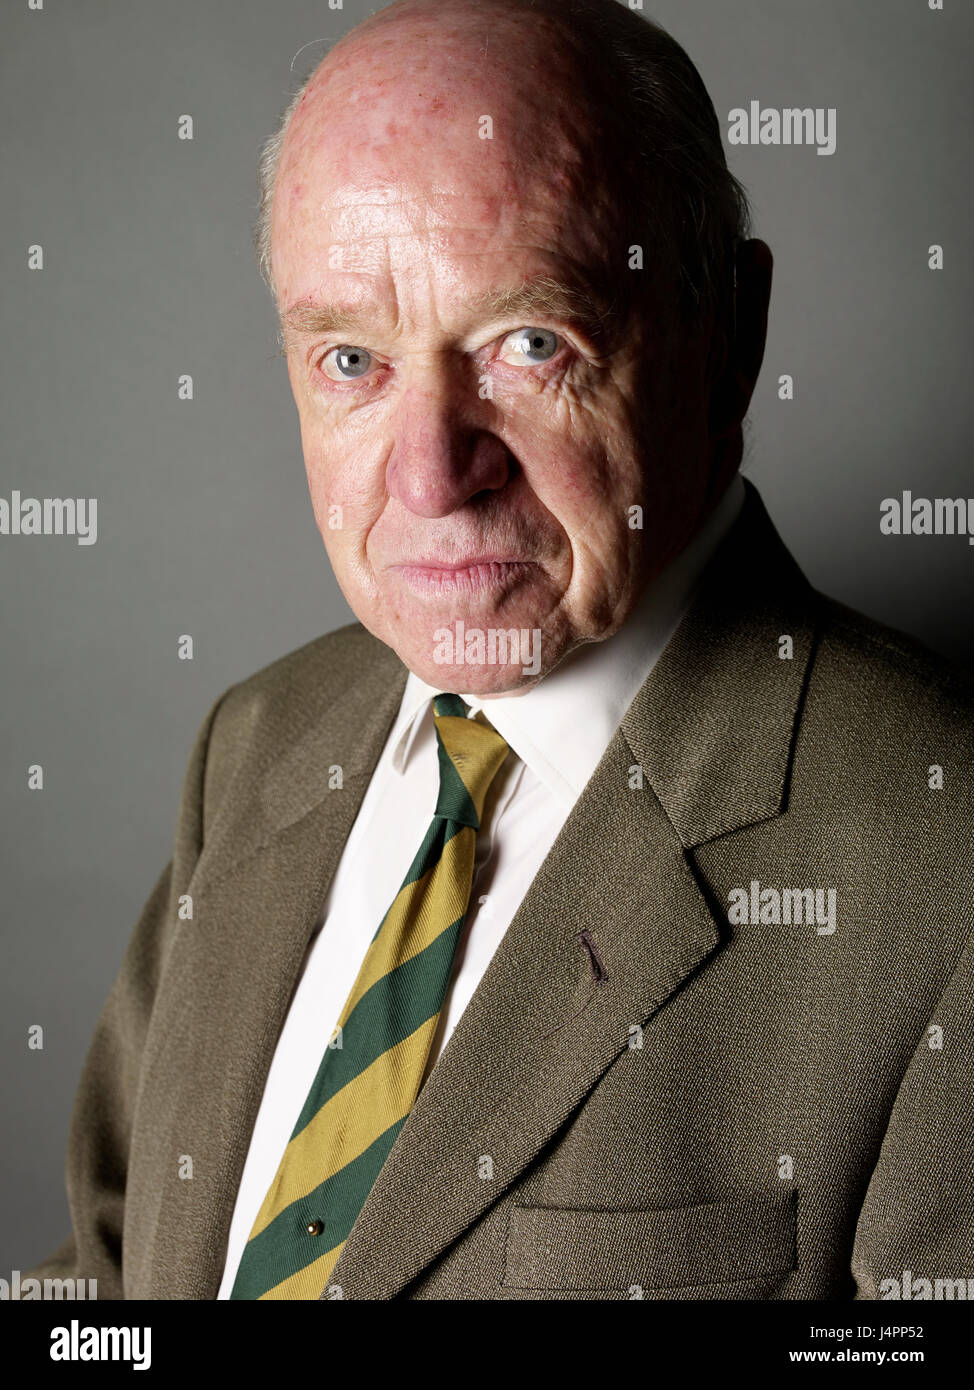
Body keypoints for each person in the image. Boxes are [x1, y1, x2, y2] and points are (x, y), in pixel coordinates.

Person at [27, 0, 974, 1300]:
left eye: (531, 344)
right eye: (350, 359)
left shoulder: (943, 861)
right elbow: (106, 1271)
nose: (429, 476)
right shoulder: (255, 741)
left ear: (730, 338)